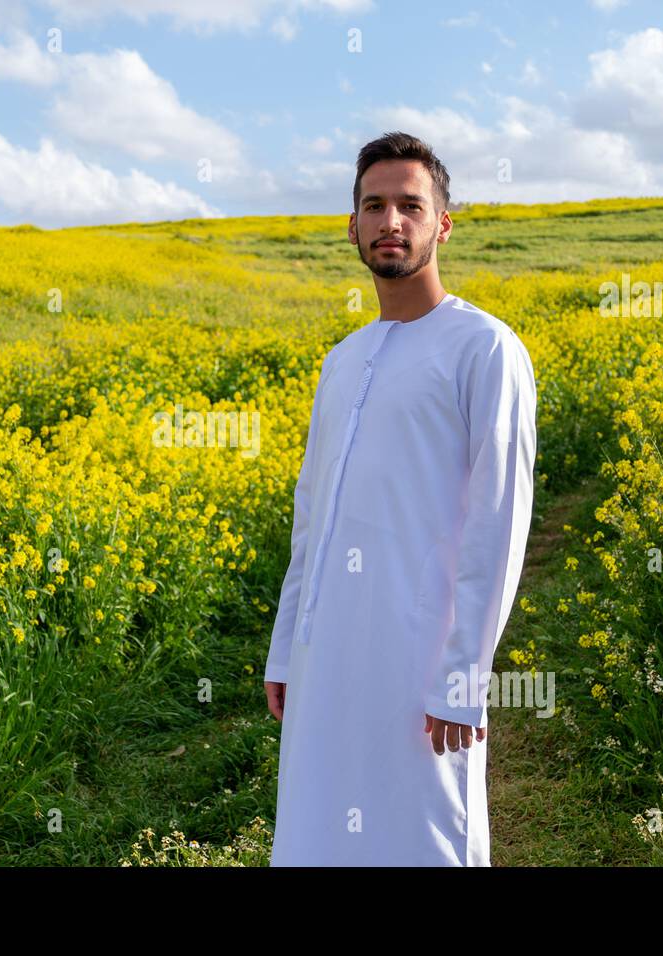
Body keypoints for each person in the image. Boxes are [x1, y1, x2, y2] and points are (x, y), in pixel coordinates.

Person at [263, 131, 537, 866]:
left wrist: (463, 675)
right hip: (326, 656)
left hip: (420, 657)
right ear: (351, 225)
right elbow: (312, 517)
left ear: (442, 223)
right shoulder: (342, 361)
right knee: (318, 831)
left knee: (425, 834)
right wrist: (286, 647)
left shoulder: (485, 348)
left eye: (410, 205)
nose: (391, 221)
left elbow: (499, 526)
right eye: (374, 205)